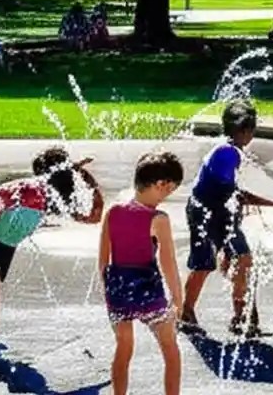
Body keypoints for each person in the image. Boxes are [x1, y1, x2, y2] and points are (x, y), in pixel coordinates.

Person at [0, 147, 104, 346]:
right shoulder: (29, 190)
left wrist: (84, 175)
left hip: (7, 236)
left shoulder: (52, 195)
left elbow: (95, 216)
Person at [180, 100, 273, 337]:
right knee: (204, 263)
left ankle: (243, 317)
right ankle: (186, 312)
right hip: (204, 212)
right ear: (247, 130)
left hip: (219, 212)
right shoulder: (227, 152)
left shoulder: (228, 149)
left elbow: (231, 193)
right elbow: (229, 191)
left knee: (242, 258)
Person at [100, 152, 185, 395]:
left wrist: (109, 293)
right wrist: (177, 298)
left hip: (118, 290)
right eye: (169, 190)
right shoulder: (158, 219)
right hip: (147, 291)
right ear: (161, 185)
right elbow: (168, 263)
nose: (167, 197)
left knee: (124, 348)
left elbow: (103, 260)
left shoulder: (113, 211)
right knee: (170, 349)